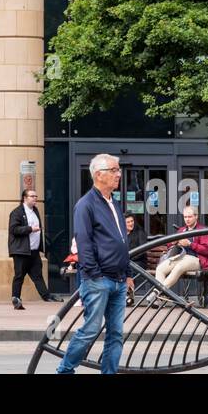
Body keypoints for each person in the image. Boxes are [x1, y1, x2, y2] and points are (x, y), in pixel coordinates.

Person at [57, 154, 134, 374]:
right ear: (98, 175)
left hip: (118, 280)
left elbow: (122, 239)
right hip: (99, 280)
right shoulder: (85, 204)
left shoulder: (114, 202)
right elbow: (83, 242)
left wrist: (127, 272)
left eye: (118, 170)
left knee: (116, 334)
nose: (118, 174)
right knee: (90, 330)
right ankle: (65, 370)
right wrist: (95, 274)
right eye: (114, 170)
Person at [8, 187, 61, 308]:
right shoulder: (17, 212)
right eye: (32, 196)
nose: (35, 198)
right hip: (21, 251)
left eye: (36, 196)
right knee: (19, 275)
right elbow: (14, 229)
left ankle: (46, 296)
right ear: (25, 198)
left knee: (38, 275)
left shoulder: (35, 210)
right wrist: (30, 229)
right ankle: (16, 299)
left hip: (34, 251)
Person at [156, 204, 208, 291]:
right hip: (181, 257)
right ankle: (159, 297)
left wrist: (190, 244)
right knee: (160, 269)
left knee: (179, 267)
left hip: (197, 259)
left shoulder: (202, 230)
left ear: (196, 216)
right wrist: (173, 243)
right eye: (185, 217)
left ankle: (157, 292)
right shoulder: (182, 230)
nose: (187, 219)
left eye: (189, 217)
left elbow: (206, 250)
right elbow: (170, 247)